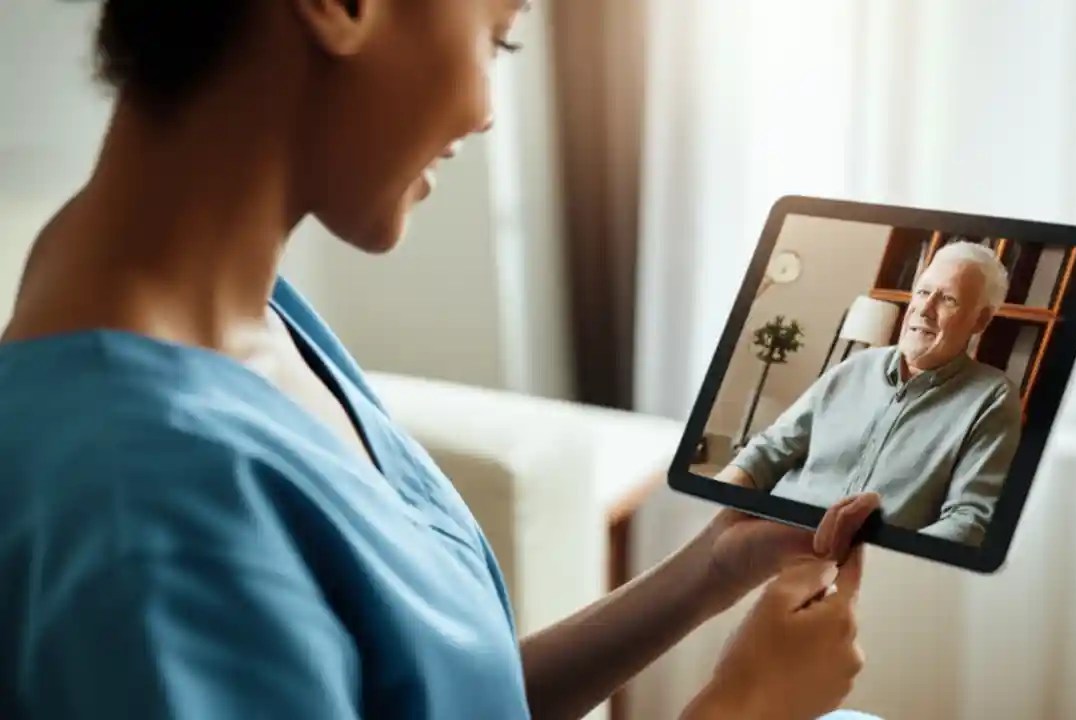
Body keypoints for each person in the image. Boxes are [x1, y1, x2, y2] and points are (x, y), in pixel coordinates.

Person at [0, 2, 883, 719]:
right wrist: (745, 705)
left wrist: (709, 572)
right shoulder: (145, 502)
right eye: (497, 36)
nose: (486, 110)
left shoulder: (237, 309)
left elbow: (434, 698)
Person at [721, 242, 1022, 547]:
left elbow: (968, 521)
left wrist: (878, 561)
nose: (924, 309)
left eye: (947, 299)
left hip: (865, 561)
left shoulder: (992, 399)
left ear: (980, 320)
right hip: (771, 537)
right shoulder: (855, 366)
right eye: (922, 292)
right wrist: (712, 502)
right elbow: (768, 451)